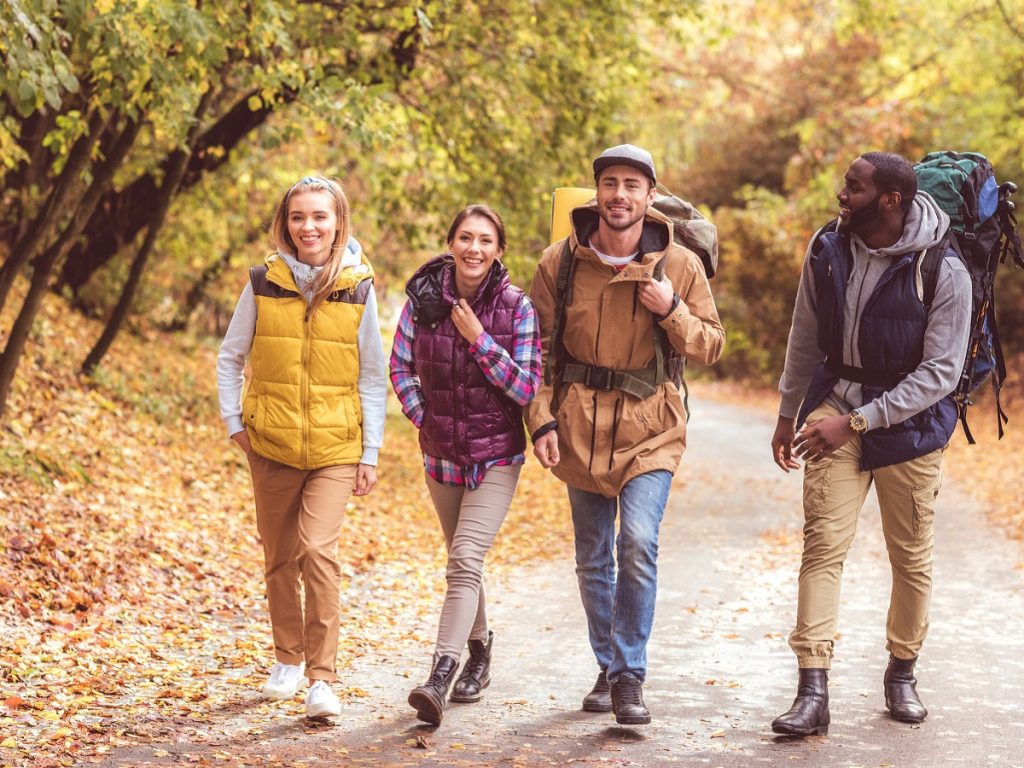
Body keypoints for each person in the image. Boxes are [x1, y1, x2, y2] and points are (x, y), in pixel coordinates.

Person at [770, 152, 972, 735]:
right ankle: (812, 689)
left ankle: (902, 672)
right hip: (834, 402)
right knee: (822, 545)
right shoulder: (828, 247)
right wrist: (790, 413)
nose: (841, 194)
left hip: (910, 424)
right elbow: (804, 334)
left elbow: (941, 374)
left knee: (909, 557)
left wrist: (858, 422)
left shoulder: (943, 269)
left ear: (890, 200)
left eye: (854, 188)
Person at [526, 145, 725, 725]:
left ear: (651, 195)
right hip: (578, 426)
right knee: (593, 556)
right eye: (610, 183)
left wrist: (671, 310)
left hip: (652, 428)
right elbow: (535, 352)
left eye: (632, 185)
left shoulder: (680, 266)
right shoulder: (559, 263)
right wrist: (539, 419)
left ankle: (629, 674)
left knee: (636, 542)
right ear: (596, 193)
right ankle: (610, 665)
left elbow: (711, 344)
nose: (619, 195)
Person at [216, 176, 387, 719]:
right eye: (298, 217)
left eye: (319, 216)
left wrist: (371, 452)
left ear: (338, 222)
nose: (308, 226)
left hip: (336, 445)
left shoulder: (359, 287)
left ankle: (322, 678)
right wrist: (234, 422)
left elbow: (372, 377)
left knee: (317, 550)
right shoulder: (263, 282)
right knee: (279, 556)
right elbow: (230, 357)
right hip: (271, 442)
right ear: (285, 223)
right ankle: (287, 661)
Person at [390, 204, 541, 726]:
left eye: (485, 240)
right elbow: (400, 364)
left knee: (464, 557)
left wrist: (480, 339)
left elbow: (525, 386)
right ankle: (480, 651)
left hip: (496, 455)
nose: (474, 248)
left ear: (499, 250)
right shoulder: (423, 300)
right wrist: (423, 416)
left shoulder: (517, 307)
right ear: (451, 242)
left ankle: (440, 674)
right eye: (465, 238)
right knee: (463, 561)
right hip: (441, 454)